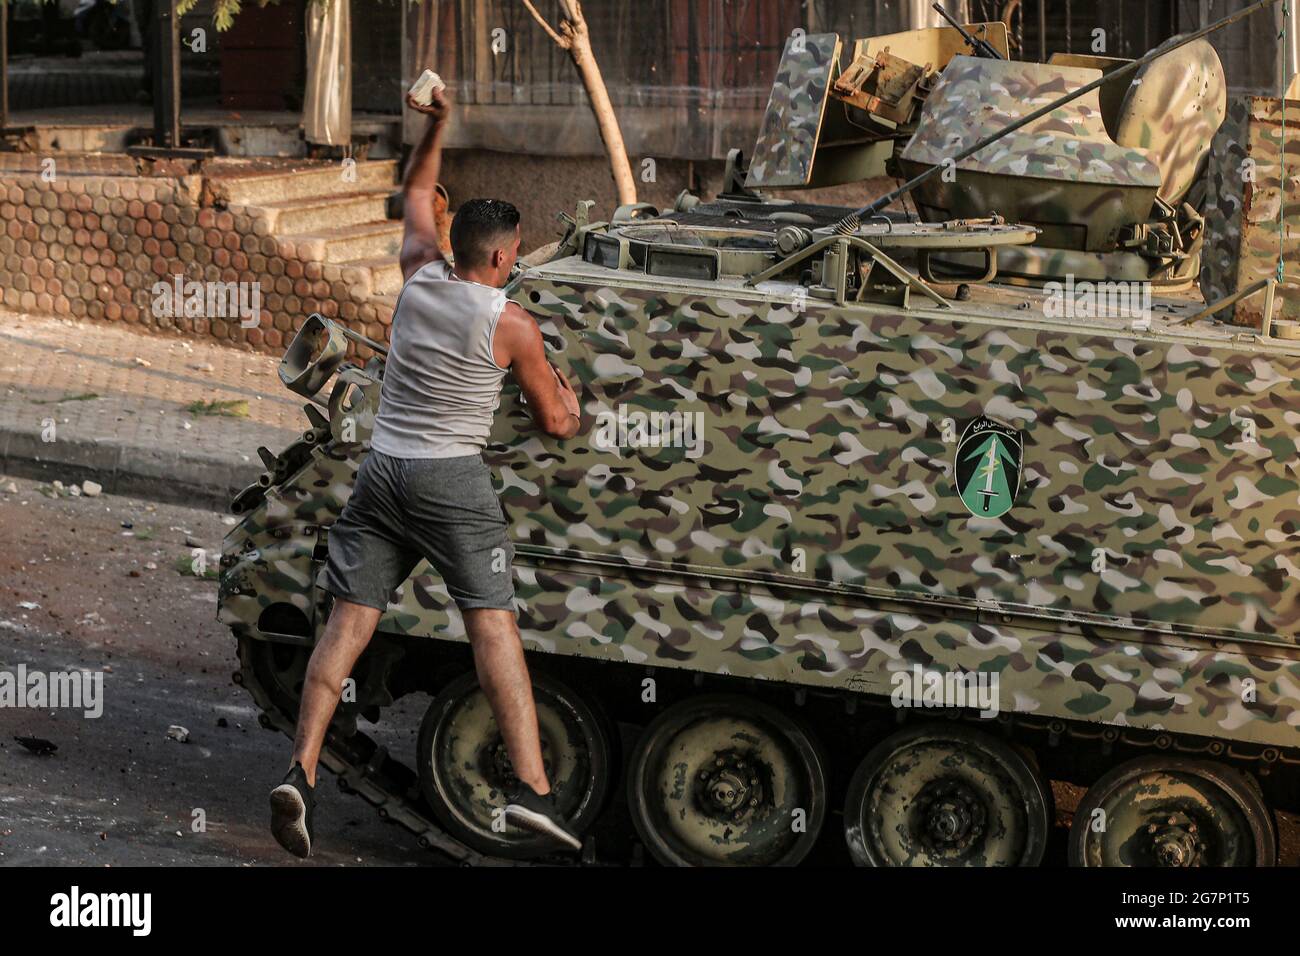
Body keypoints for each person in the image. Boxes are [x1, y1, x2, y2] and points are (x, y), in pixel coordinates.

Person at [269, 83, 584, 858]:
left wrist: (436, 124)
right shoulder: (513, 325)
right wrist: (572, 395)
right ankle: (532, 793)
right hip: (451, 484)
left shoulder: (418, 276)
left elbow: (414, 192)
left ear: (458, 245)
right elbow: (556, 419)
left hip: (382, 473)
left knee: (346, 625)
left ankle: (300, 773)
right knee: (494, 627)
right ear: (506, 256)